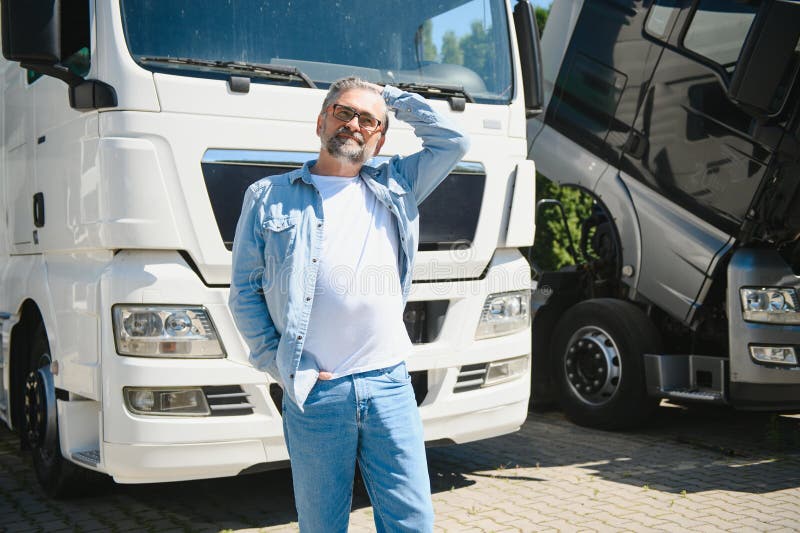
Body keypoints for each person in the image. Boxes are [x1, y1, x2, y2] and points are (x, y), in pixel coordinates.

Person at [229, 76, 469, 532]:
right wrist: (279, 365)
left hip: (390, 385)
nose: (354, 124)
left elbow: (454, 142)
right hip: (317, 392)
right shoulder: (267, 196)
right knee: (322, 525)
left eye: (368, 120)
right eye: (343, 112)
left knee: (412, 522)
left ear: (379, 138)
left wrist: (392, 97)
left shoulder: (398, 185)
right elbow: (244, 292)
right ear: (321, 121)